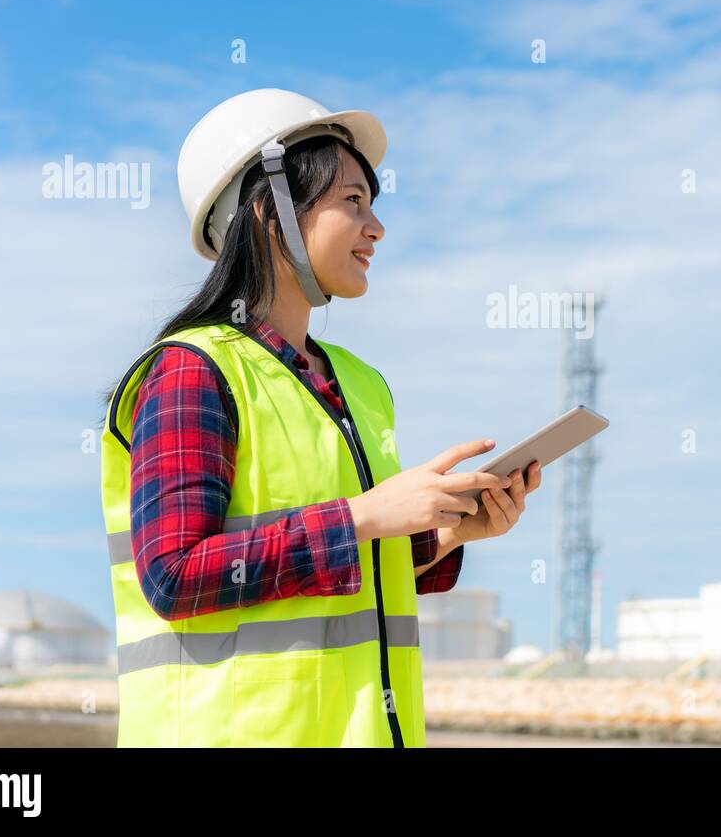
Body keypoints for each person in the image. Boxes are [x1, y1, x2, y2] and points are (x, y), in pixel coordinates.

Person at [99, 88, 540, 747]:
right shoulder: (194, 370)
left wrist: (448, 531)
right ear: (269, 209)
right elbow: (174, 574)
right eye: (352, 203)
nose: (377, 228)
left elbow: (341, 580)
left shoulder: (360, 383)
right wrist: (366, 515)